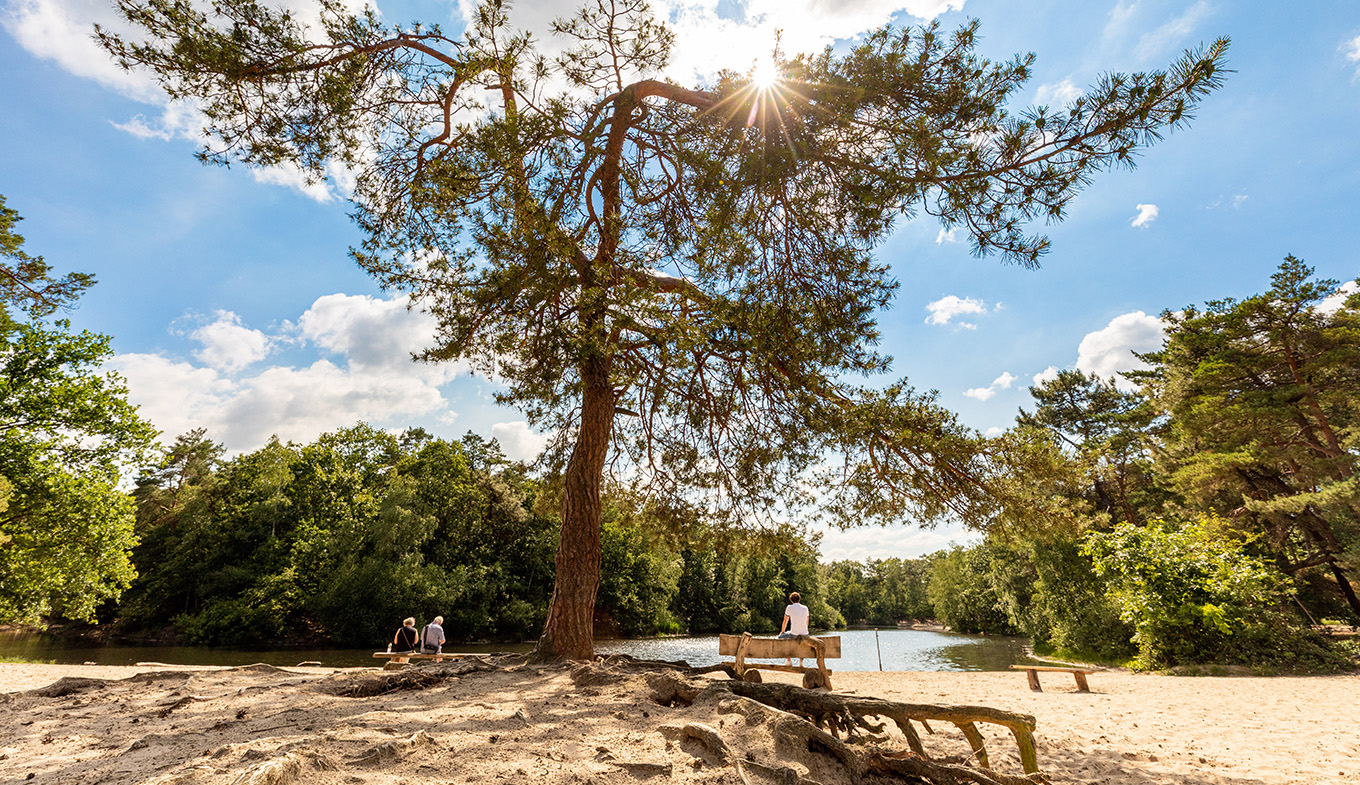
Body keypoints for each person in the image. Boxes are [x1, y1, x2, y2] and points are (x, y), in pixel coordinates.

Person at [777, 592, 810, 667]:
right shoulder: (805, 608)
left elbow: (785, 621)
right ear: (799, 599)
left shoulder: (789, 607)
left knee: (780, 637)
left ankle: (788, 660)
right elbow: (807, 622)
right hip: (804, 633)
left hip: (794, 633)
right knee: (803, 641)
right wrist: (804, 630)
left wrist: (782, 631)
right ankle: (801, 662)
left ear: (791, 600)